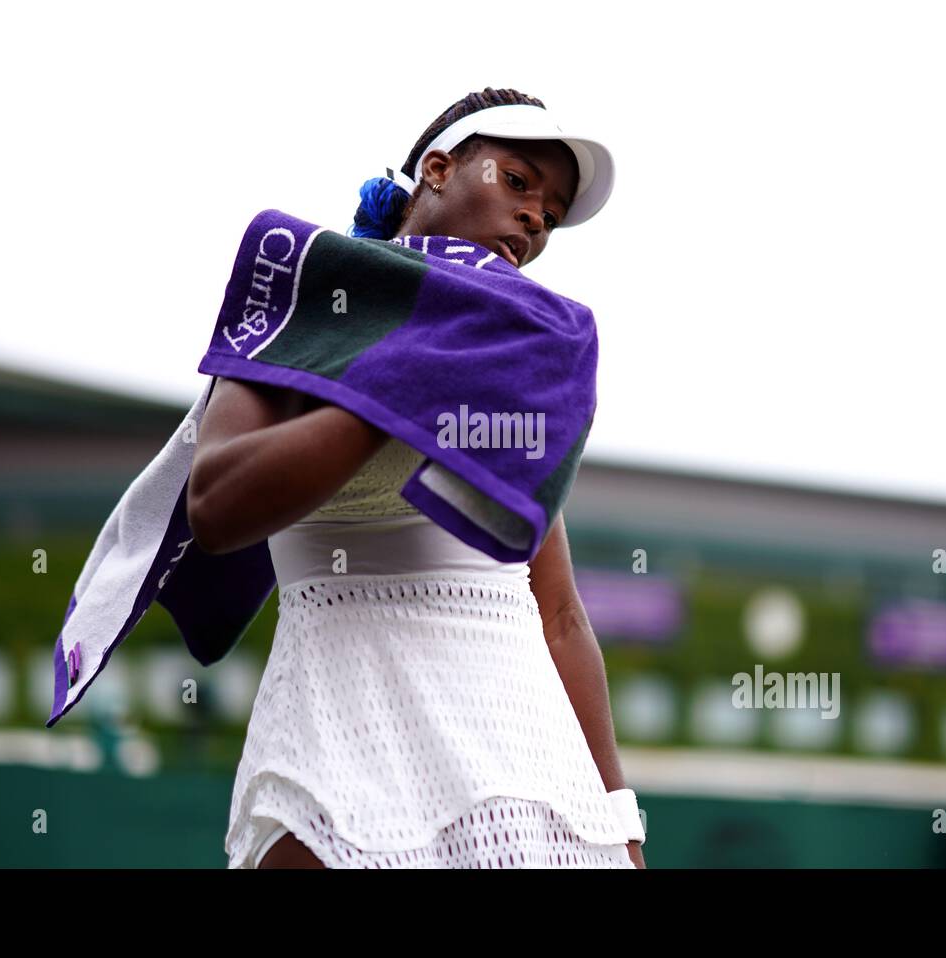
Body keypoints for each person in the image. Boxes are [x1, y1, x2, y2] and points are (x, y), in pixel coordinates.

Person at [188, 86, 646, 869]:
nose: (537, 216)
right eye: (518, 180)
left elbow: (561, 615)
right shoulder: (304, 304)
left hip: (531, 778)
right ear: (437, 168)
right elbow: (215, 507)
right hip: (335, 760)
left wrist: (617, 821)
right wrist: (407, 387)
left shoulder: (515, 361)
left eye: (554, 212)